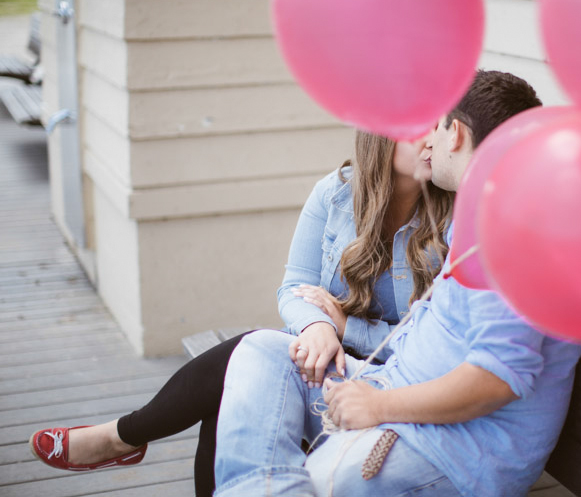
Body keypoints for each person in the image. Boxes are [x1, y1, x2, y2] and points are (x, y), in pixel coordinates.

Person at [213, 70, 581, 496]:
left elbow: (498, 378)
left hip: (446, 448)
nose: (428, 141)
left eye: (436, 126)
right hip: (391, 391)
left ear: (456, 134)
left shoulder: (513, 235)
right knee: (263, 351)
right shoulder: (479, 214)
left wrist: (377, 405)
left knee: (317, 483)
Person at [28, 130, 453, 497]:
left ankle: (123, 436)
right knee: (236, 384)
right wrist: (318, 323)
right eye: (418, 125)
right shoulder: (335, 193)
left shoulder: (450, 216)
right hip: (320, 352)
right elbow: (294, 287)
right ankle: (124, 437)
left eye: (439, 125)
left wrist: (345, 326)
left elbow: (426, 341)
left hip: (387, 378)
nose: (432, 138)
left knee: (241, 365)